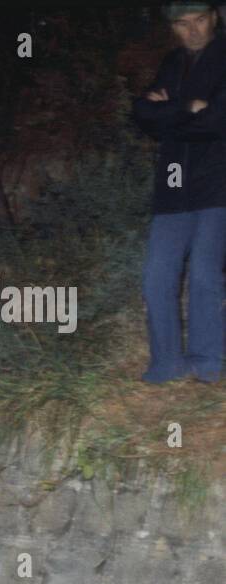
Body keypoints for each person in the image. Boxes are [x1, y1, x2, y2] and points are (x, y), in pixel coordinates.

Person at [132, 2, 226, 383]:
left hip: (219, 182)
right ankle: (167, 364)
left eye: (200, 19)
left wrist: (172, 112)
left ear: (214, 18)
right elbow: (142, 115)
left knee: (205, 272)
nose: (193, 30)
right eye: (182, 24)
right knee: (156, 275)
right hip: (173, 185)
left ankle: (207, 364)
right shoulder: (172, 63)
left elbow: (219, 121)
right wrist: (190, 108)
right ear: (172, 28)